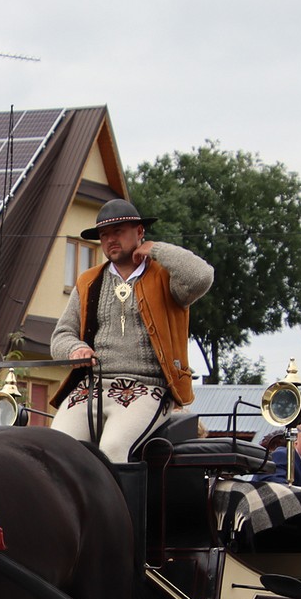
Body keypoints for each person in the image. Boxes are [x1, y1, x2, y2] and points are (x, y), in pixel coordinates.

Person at [49, 198, 214, 462]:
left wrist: (156, 249)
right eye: (104, 235)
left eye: (118, 232)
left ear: (139, 232)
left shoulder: (165, 276)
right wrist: (75, 348)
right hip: (91, 386)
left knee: (114, 450)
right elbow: (61, 336)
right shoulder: (88, 280)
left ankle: (120, 505)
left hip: (147, 388)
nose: (110, 240)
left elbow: (202, 276)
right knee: (57, 450)